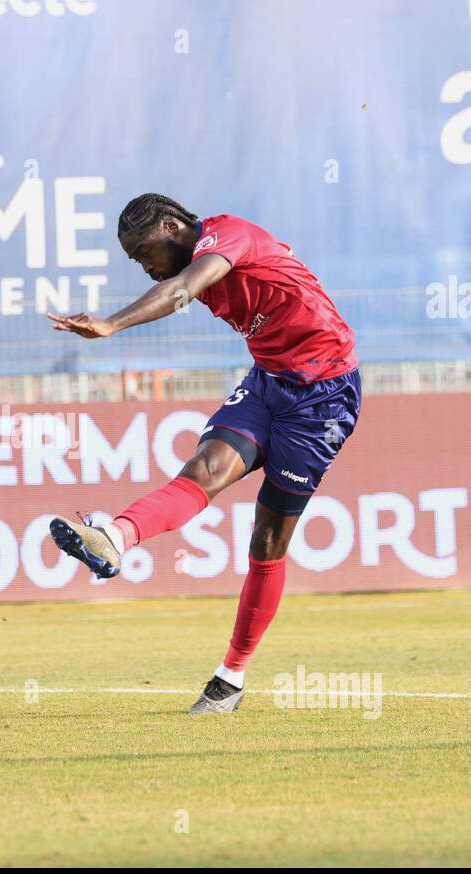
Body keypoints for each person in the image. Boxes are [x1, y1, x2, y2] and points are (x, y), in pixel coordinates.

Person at [47, 193, 361, 714]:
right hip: (269, 385)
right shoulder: (197, 257)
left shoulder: (227, 235)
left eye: (143, 252)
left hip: (324, 396)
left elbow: (178, 292)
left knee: (267, 537)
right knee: (203, 469)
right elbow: (174, 285)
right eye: (134, 261)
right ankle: (113, 538)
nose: (144, 266)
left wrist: (110, 324)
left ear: (173, 225)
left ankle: (230, 678)